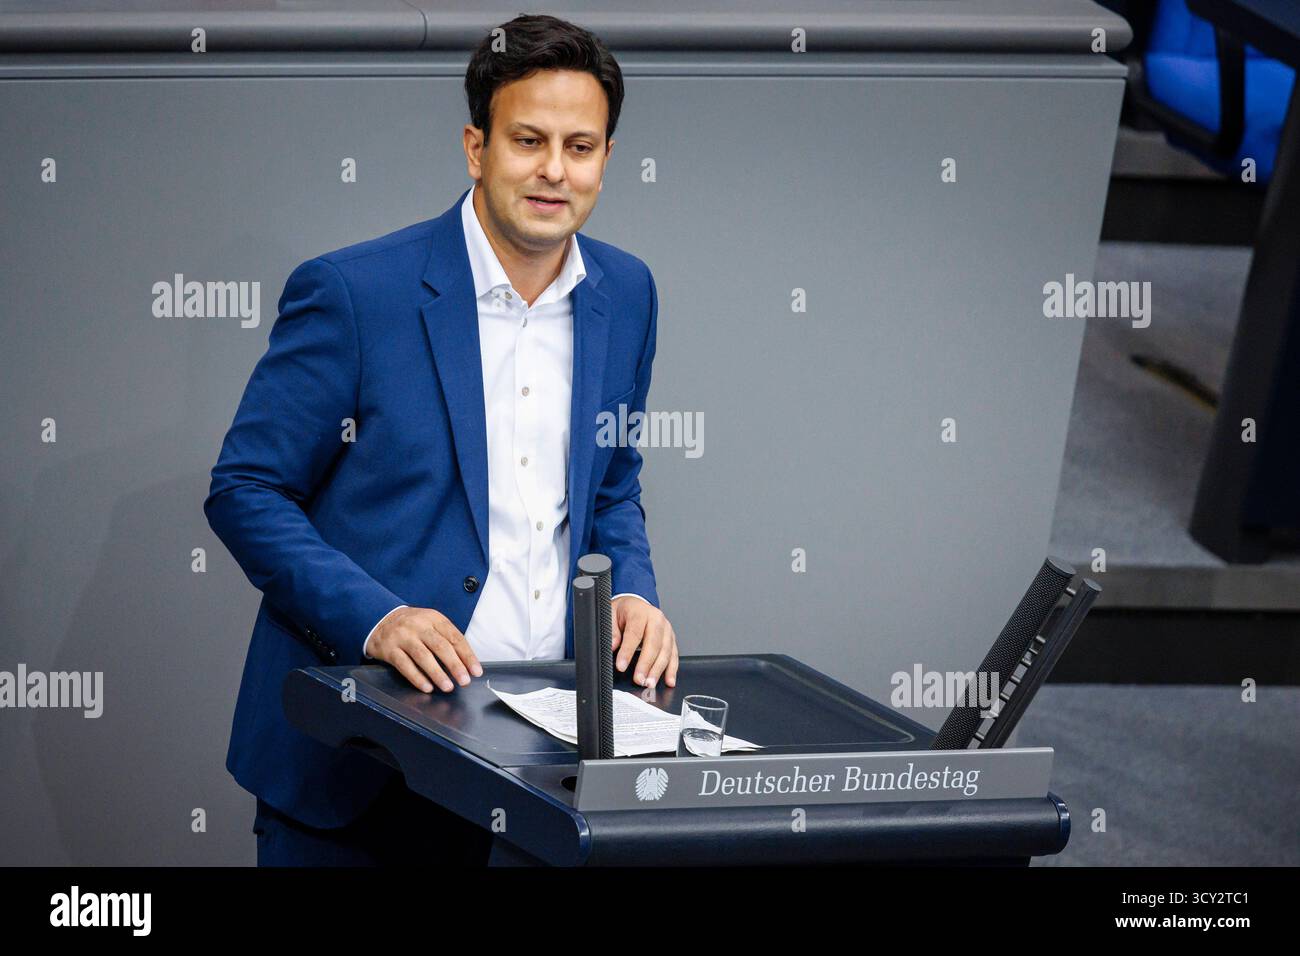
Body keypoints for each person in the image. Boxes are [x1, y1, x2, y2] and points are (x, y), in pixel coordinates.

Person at [204, 13, 677, 867]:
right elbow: (245, 490)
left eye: (580, 146)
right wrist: (376, 618)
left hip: (547, 771)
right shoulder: (354, 292)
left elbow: (610, 482)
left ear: (607, 158)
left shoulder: (629, 292)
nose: (553, 170)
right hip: (362, 768)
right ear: (476, 147)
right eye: (528, 140)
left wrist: (632, 592)